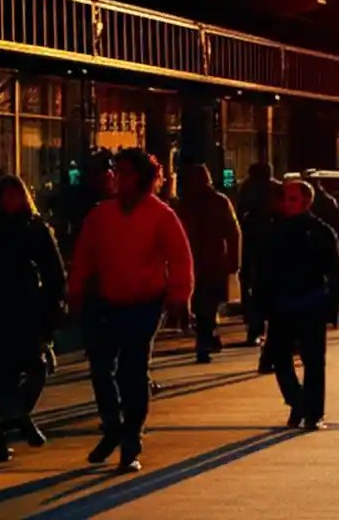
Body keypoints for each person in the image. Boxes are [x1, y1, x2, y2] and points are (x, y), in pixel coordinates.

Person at [69, 149, 194, 473]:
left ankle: (130, 442)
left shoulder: (161, 215)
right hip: (107, 301)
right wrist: (76, 291)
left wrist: (179, 296)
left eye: (124, 171)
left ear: (142, 177)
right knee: (101, 369)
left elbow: (180, 257)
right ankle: (112, 426)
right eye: (116, 170)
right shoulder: (101, 215)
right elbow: (84, 254)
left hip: (145, 302)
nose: (117, 176)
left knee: (133, 373)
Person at [0, 176, 66, 463]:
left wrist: (53, 305)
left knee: (37, 365)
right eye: (5, 195)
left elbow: (54, 272)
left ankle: (18, 413)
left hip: (27, 309)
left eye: (15, 195)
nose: (11, 201)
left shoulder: (35, 229)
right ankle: (1, 434)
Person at [256, 180, 339, 430]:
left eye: (293, 199)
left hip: (311, 303)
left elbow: (335, 272)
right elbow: (263, 270)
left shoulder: (320, 231)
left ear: (307, 202)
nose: (287, 203)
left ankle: (313, 412)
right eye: (286, 197)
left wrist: (332, 306)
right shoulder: (275, 231)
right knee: (279, 358)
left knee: (314, 361)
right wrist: (261, 304)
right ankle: (298, 400)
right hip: (282, 305)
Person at [174, 164, 242, 364]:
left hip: (192, 262)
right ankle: (206, 337)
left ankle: (205, 336)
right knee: (209, 304)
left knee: (199, 303)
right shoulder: (219, 202)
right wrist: (234, 261)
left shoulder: (184, 205)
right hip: (214, 261)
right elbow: (233, 233)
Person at [242, 178, 284, 364]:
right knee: (276, 308)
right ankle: (271, 351)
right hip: (275, 265)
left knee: (258, 301)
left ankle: (257, 334)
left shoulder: (250, 215)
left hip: (258, 263)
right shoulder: (279, 215)